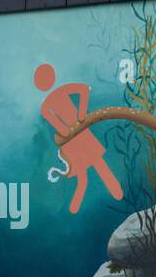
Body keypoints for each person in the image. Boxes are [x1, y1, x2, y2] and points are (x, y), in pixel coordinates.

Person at [34, 63, 123, 214]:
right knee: (85, 174)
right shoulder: (45, 106)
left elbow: (83, 89)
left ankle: (116, 192)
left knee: (97, 166)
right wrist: (74, 122)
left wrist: (81, 115)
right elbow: (58, 123)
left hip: (79, 135)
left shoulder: (53, 99)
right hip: (72, 140)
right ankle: (76, 206)